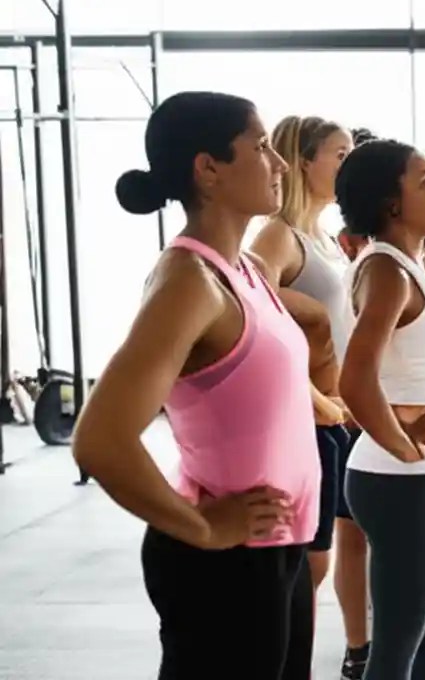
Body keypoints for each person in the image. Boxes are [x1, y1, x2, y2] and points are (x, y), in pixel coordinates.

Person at [70, 91, 318, 678]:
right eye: (260, 148)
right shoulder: (190, 282)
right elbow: (100, 439)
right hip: (227, 565)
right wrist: (204, 526)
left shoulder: (246, 269)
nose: (279, 163)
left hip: (277, 549)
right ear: (208, 169)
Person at [334, 138, 425, 680]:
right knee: (396, 651)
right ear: (393, 203)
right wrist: (403, 441)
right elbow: (355, 378)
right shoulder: (386, 270)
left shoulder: (403, 264)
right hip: (397, 476)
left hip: (422, 472)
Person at [250, 115, 372, 678]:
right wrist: (317, 400)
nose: (348, 166)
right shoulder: (278, 236)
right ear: (305, 161)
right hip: (310, 421)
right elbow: (252, 318)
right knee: (307, 569)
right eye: (340, 155)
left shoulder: (324, 235)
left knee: (338, 553)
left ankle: (355, 648)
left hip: (341, 416)